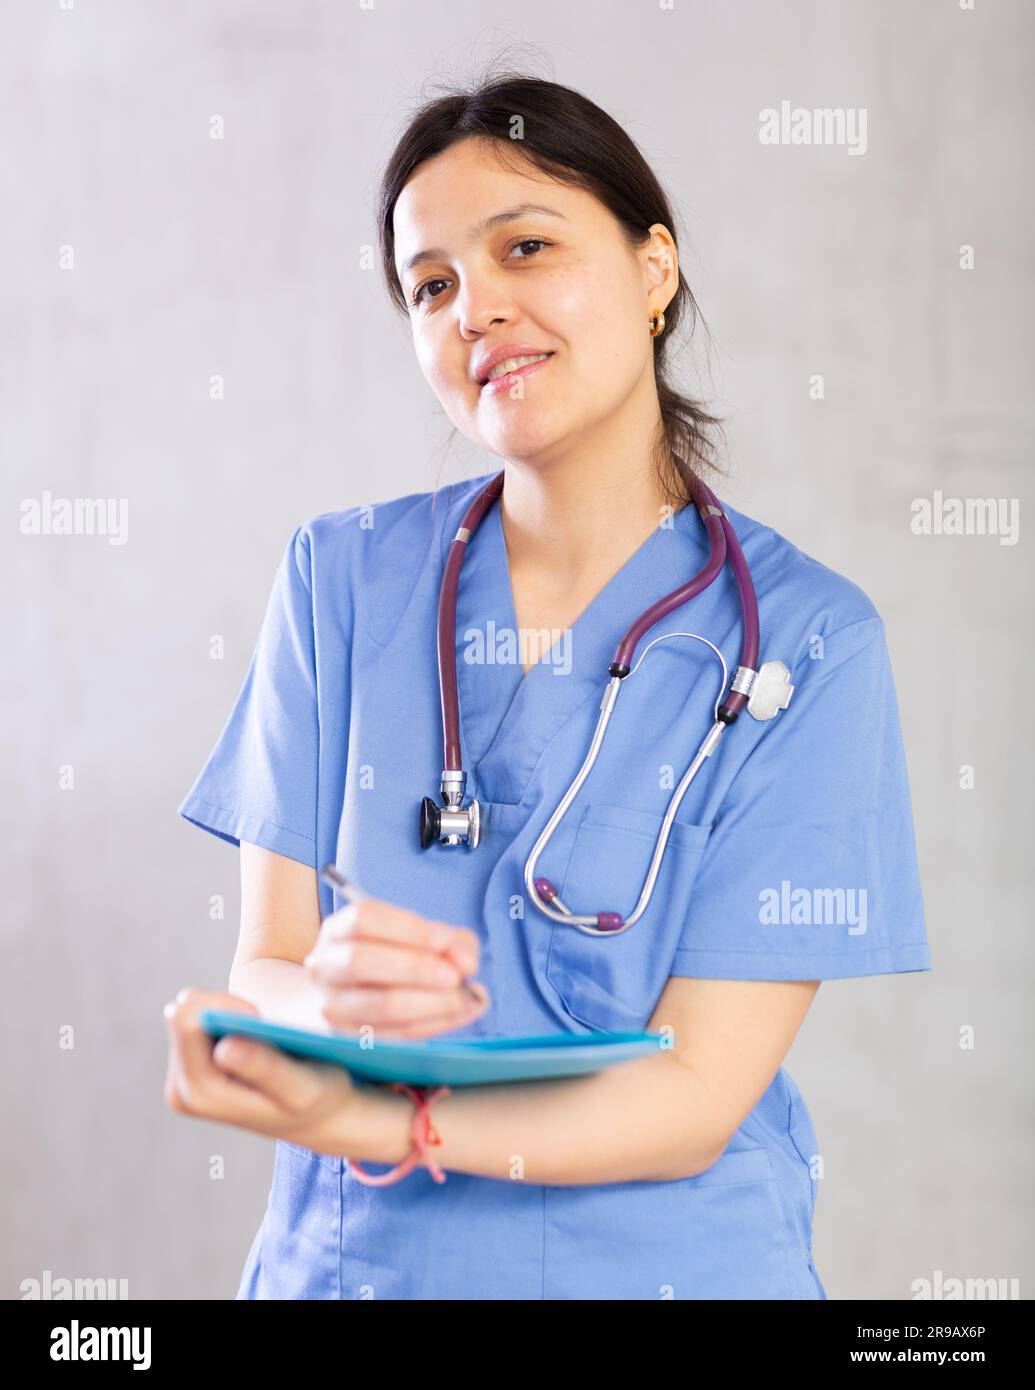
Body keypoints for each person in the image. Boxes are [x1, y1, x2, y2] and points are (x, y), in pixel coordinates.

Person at [163, 73, 932, 1300]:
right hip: (363, 1271)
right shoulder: (340, 581)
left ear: (653, 270)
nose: (478, 308)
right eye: (432, 286)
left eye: (526, 246)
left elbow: (691, 1094)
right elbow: (268, 963)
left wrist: (393, 1124)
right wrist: (334, 1003)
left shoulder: (807, 639)